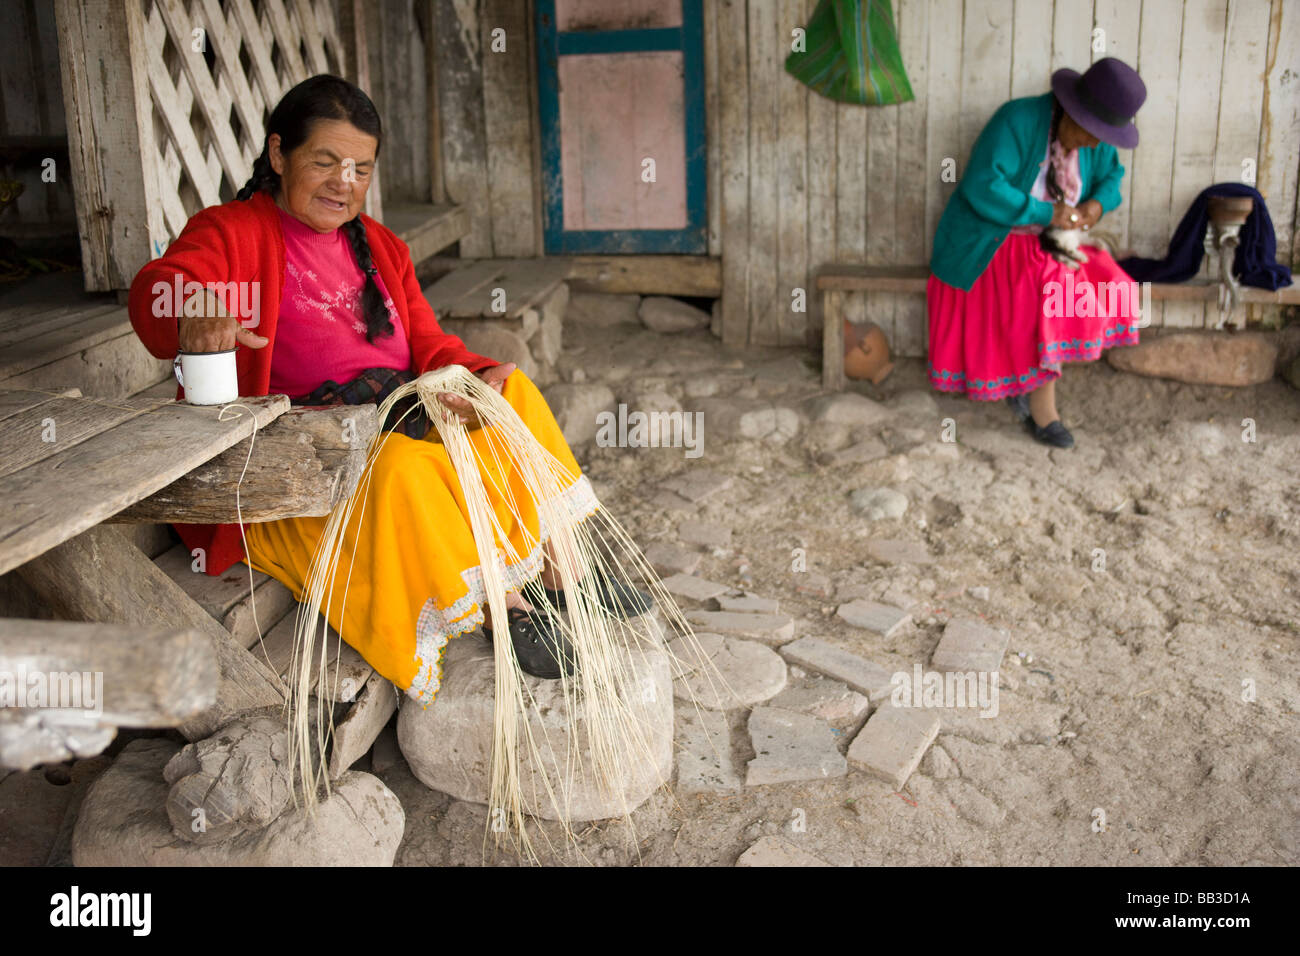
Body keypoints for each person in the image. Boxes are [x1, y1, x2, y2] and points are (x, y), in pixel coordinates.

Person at [127, 75, 647, 704]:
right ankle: (504, 609)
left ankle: (561, 576)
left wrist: (471, 377)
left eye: (360, 169)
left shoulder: (381, 247)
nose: (343, 182)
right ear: (277, 155)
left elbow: (429, 345)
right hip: (296, 463)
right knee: (406, 467)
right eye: (324, 161)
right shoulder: (232, 232)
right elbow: (159, 288)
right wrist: (195, 306)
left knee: (516, 398)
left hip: (392, 415)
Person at [926, 57, 1148, 448]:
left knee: (1113, 281)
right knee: (1053, 287)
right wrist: (1047, 212)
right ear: (1072, 112)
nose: (1096, 144)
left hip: (1051, 240)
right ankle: (1042, 407)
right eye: (1092, 133)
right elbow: (982, 186)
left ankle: (1024, 378)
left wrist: (1096, 205)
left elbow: (1113, 177)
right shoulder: (1017, 120)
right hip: (993, 239)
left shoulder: (1093, 143)